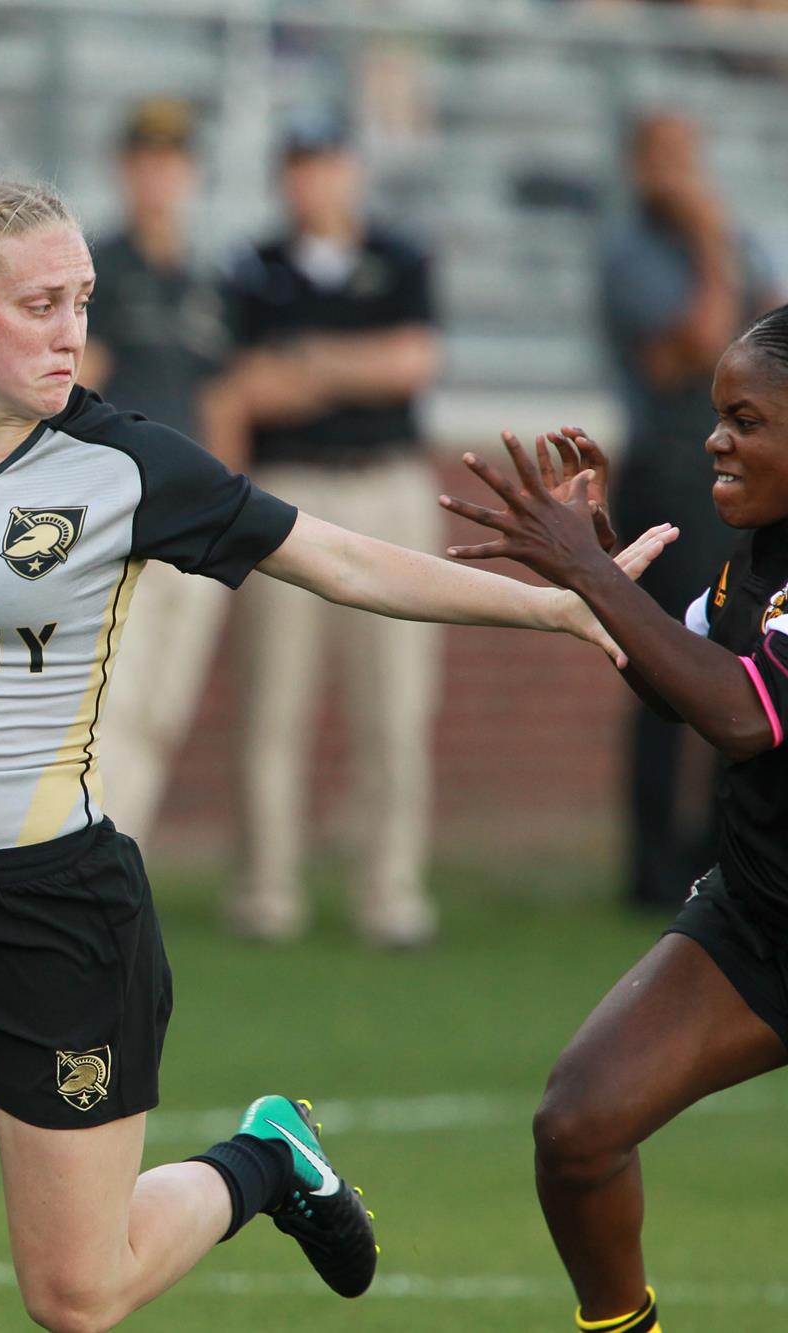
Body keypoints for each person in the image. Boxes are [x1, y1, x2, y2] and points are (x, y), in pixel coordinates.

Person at [0, 182, 666, 1333]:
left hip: (52, 914)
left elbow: (345, 562)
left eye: (81, 302)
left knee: (77, 1293)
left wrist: (558, 608)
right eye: (40, 304)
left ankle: (265, 1162)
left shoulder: (123, 466)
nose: (70, 330)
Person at [440, 305, 788, 1333]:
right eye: (716, 415)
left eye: (745, 419)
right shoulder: (753, 559)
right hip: (760, 918)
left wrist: (589, 576)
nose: (713, 439)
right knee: (580, 1123)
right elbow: (682, 685)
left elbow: (739, 716)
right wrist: (592, 578)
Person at [216, 108, 444, 948]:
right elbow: (245, 390)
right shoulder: (253, 268)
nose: (315, 181)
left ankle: (392, 893)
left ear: (353, 169)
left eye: (328, 163)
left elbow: (414, 362)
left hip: (388, 487)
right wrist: (359, 370)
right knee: (276, 698)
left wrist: (309, 363)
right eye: (300, 165)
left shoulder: (401, 256)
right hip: (291, 489)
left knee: (395, 702)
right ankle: (266, 890)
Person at [600, 110, 782, 913]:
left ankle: (720, 852)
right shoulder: (629, 250)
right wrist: (711, 238)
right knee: (671, 652)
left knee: (741, 668)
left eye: (687, 153)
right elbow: (704, 340)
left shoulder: (729, 235)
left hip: (743, 485)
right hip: (668, 473)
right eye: (661, 156)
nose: (678, 173)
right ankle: (650, 866)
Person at [79, 97, 243, 840]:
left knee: (162, 711)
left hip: (195, 523)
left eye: (172, 161)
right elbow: (75, 386)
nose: (159, 176)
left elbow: (222, 400)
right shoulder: (101, 270)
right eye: (146, 159)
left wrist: (230, 511)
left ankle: (119, 859)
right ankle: (95, 865)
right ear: (124, 168)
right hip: (125, 521)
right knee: (112, 704)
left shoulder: (203, 280)